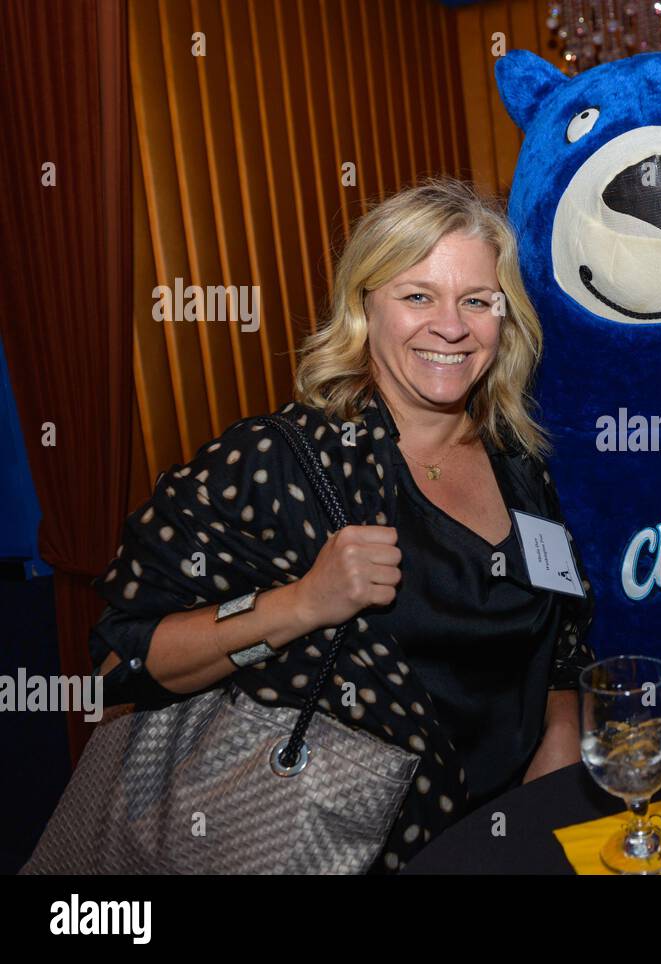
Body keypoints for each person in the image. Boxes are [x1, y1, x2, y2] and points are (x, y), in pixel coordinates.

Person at [90, 177, 595, 873]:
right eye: (417, 295)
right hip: (353, 847)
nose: (451, 326)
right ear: (363, 307)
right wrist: (299, 604)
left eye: (477, 300)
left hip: (511, 836)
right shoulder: (278, 461)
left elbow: (563, 632)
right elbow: (124, 664)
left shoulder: (515, 459)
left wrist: (560, 736)